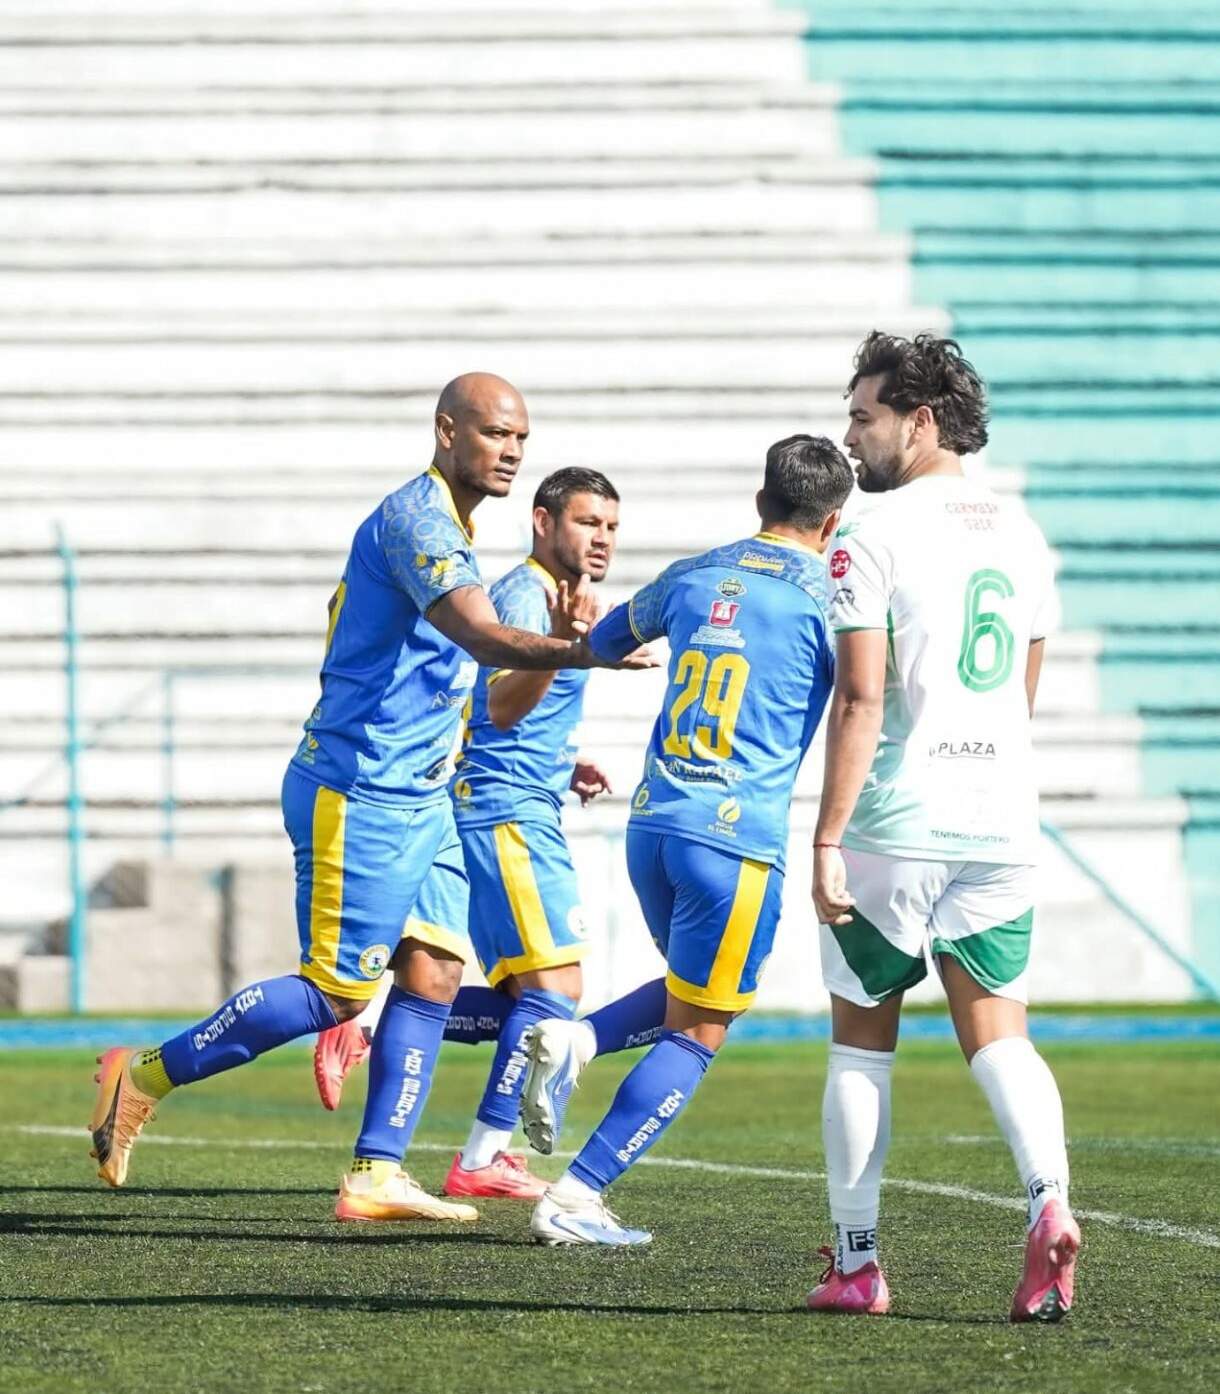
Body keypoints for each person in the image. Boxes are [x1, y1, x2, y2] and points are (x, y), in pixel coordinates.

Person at [87, 373, 648, 1223]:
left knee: (432, 972)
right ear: (446, 430)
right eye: (497, 434)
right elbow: (477, 635)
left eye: (521, 440)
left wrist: (535, 751)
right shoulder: (420, 519)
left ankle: (375, 1171)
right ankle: (143, 1074)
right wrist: (587, 652)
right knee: (337, 994)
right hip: (359, 787)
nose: (511, 452)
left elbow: (443, 671)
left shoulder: (449, 528)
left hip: (419, 791)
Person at [522, 435, 855, 1246]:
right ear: (833, 521)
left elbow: (600, 645)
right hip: (735, 842)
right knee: (700, 1029)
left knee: (687, 993)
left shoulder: (693, 572)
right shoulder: (832, 599)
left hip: (654, 827)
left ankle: (582, 1038)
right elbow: (869, 699)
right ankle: (575, 1194)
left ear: (759, 503)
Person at [808, 331, 1080, 1322]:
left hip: (897, 818)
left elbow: (860, 700)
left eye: (863, 415)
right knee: (997, 1030)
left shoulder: (868, 534)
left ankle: (854, 1262)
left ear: (919, 422)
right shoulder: (1024, 532)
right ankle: (1047, 1203)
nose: (849, 437)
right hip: (1002, 816)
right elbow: (1022, 688)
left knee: (858, 1044)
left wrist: (826, 837)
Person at [313, 466, 642, 1203]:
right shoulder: (527, 594)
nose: (601, 540)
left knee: (525, 994)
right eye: (587, 523)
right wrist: (570, 649)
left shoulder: (542, 597)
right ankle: (482, 1155)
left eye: (611, 528)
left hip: (522, 799)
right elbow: (498, 702)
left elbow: (486, 708)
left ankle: (365, 1024)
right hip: (503, 813)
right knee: (556, 992)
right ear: (543, 522)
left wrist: (565, 761)